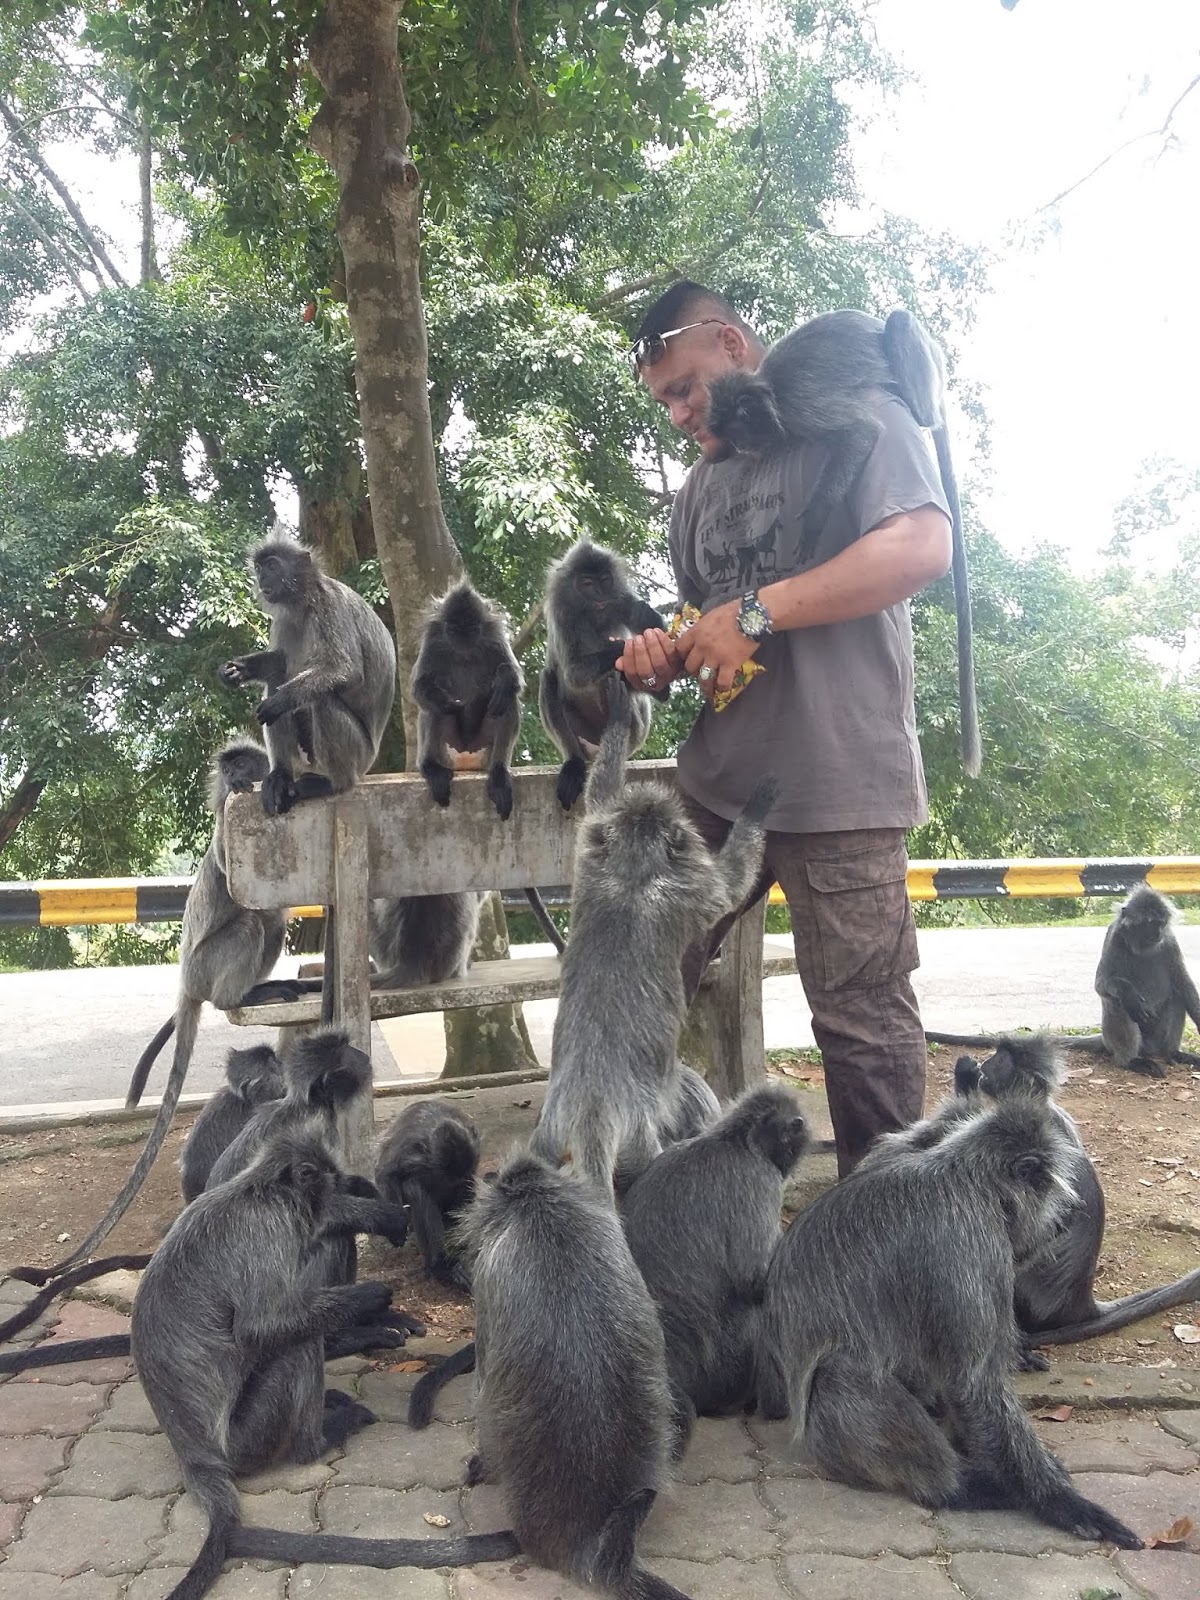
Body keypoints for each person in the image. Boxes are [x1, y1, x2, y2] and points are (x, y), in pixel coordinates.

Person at [616, 281, 953, 1175]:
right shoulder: (698, 489)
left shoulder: (857, 413)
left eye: (684, 388)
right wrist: (664, 655)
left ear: (730, 343)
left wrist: (756, 614)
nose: (678, 414)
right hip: (720, 781)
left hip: (841, 779)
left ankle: (883, 1223)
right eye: (663, 403)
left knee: (860, 1017)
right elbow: (712, 625)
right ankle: (614, 1194)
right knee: (634, 972)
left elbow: (920, 545)